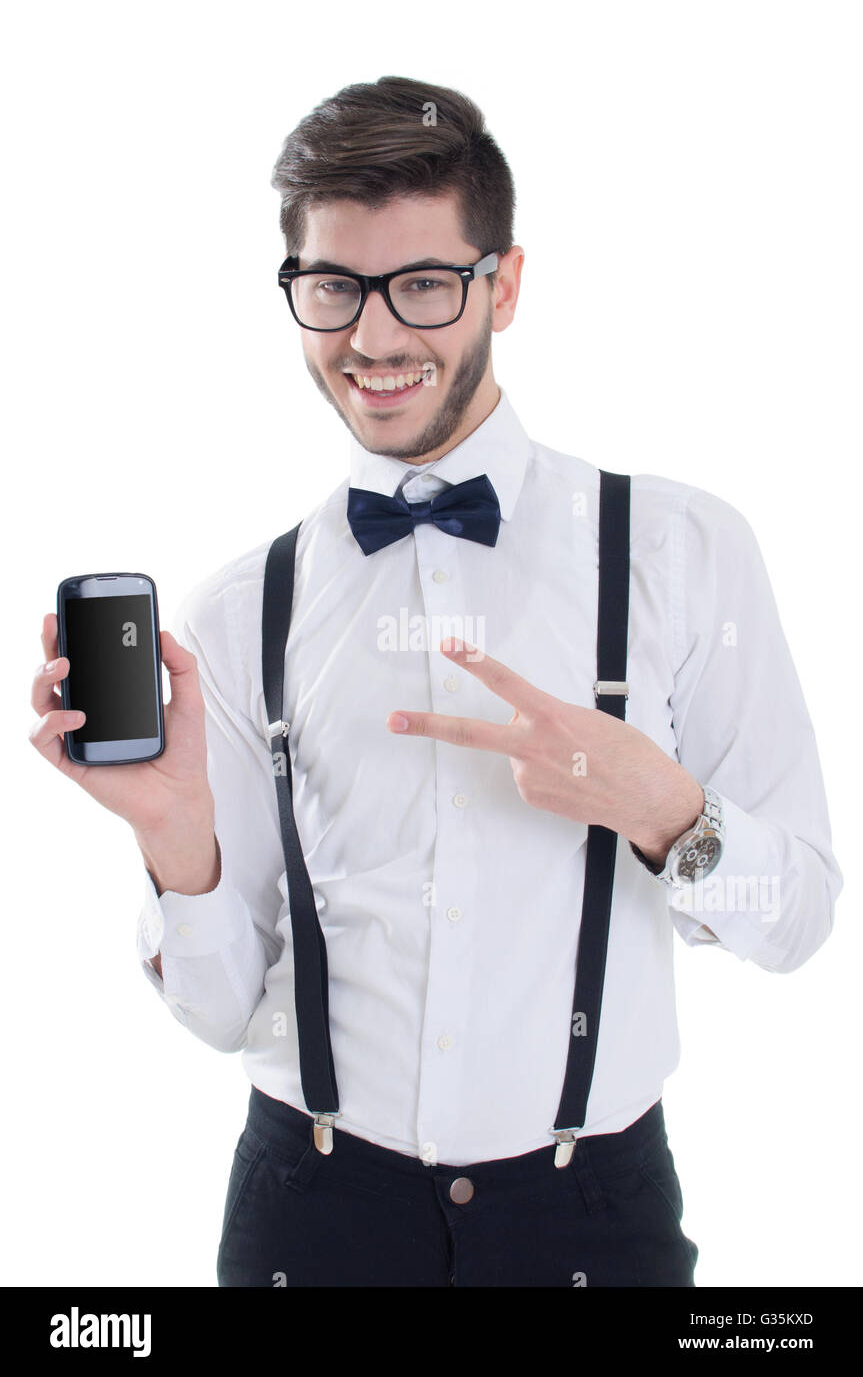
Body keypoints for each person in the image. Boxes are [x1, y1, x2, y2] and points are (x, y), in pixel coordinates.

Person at [30, 75, 843, 1288]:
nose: (370, 337)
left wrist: (664, 810)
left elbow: (802, 918)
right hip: (308, 1212)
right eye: (332, 288)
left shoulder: (681, 551)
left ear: (503, 285)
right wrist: (175, 838)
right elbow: (218, 1010)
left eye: (421, 283)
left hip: (593, 1220)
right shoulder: (239, 608)